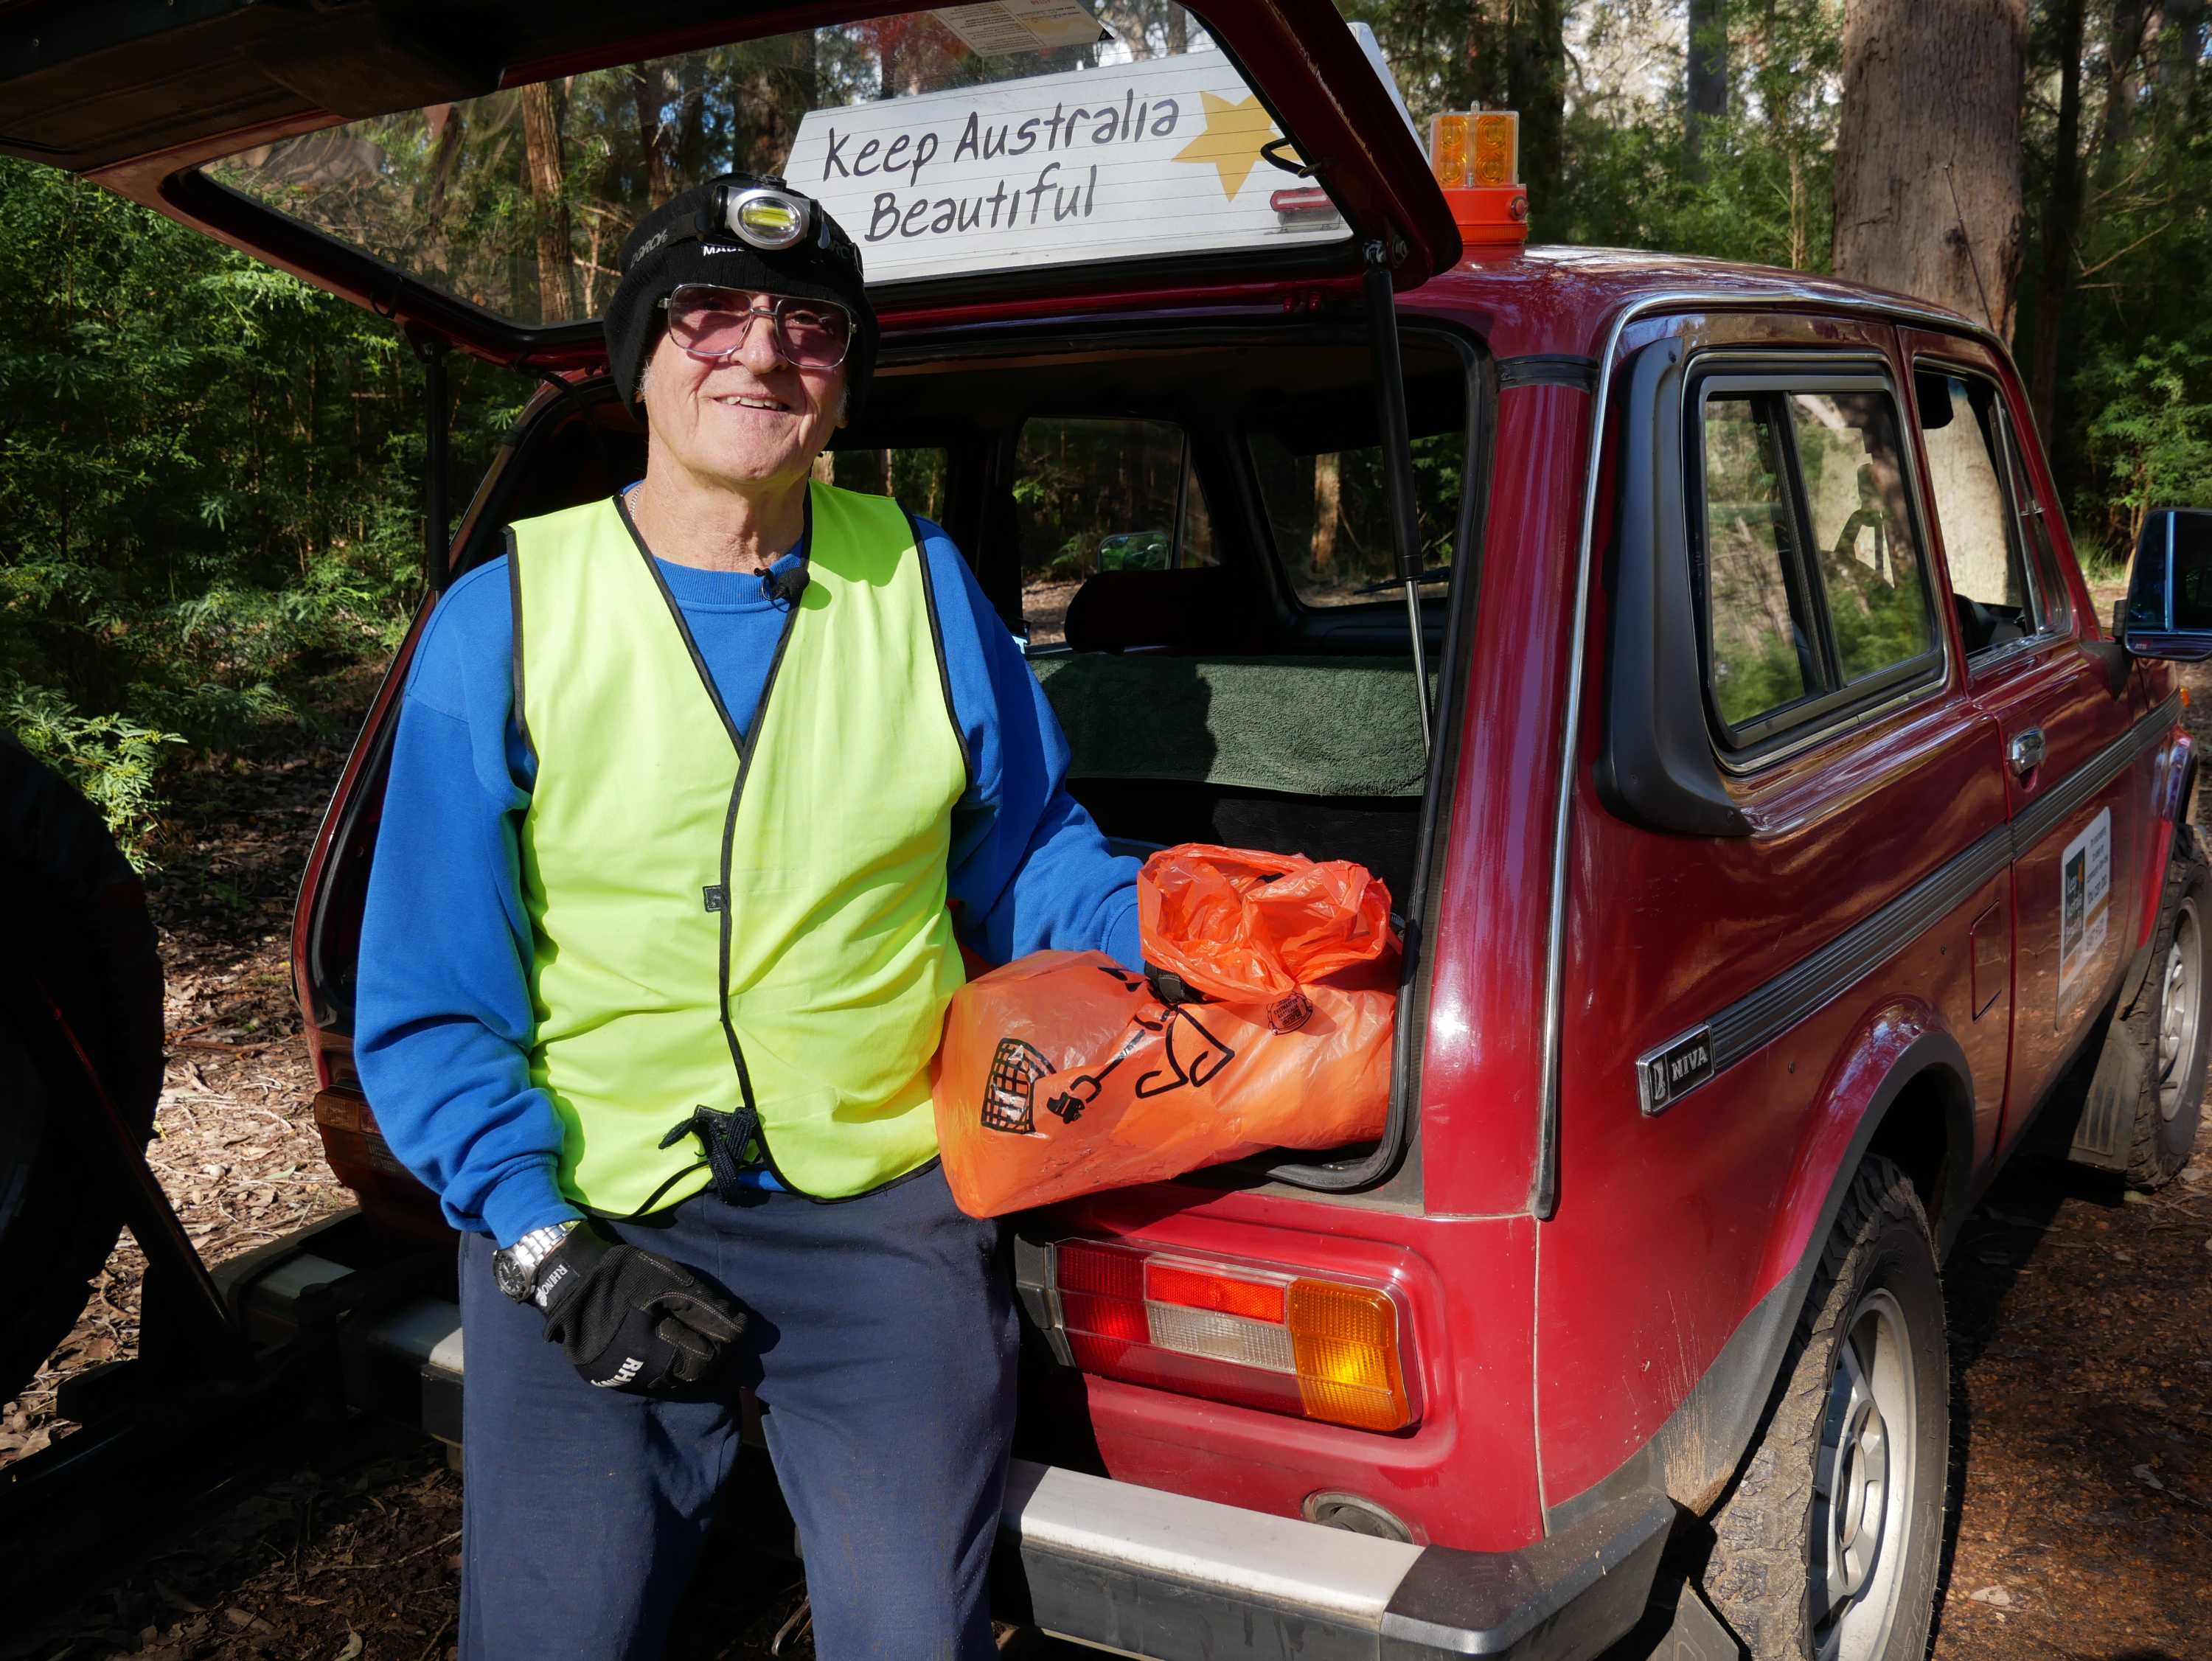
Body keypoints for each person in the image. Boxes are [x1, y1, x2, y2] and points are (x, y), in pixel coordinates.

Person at [353, 174, 1142, 1661]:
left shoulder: (921, 580)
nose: (761, 350)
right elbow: (431, 997)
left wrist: (1183, 923)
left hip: (879, 1211)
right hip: (589, 1203)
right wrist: (542, 1242)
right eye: (710, 312)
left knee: (911, 1635)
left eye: (810, 323)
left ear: (845, 376)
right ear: (643, 354)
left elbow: (1027, 850)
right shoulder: (505, 617)